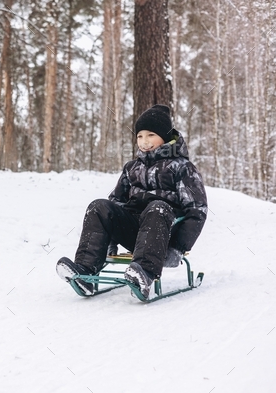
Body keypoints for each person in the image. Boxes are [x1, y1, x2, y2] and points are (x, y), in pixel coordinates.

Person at [56, 104, 208, 298]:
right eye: (140, 136)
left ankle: (143, 274)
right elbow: (116, 201)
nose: (144, 141)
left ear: (165, 136)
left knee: (157, 207)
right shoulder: (131, 168)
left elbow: (197, 210)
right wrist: (110, 240)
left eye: (151, 135)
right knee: (99, 206)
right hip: (135, 232)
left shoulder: (182, 168)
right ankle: (85, 273)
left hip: (164, 234)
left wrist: (178, 247)